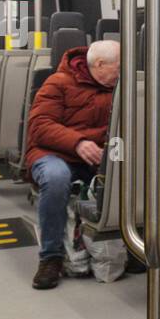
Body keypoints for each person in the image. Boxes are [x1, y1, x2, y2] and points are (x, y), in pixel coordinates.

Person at [24, 39, 120, 290]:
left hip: (98, 156)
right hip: (53, 153)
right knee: (56, 179)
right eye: (119, 67)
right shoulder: (58, 83)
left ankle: (127, 246)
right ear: (100, 64)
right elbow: (40, 125)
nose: (123, 73)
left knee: (131, 170)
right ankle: (50, 257)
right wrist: (77, 143)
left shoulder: (119, 88)